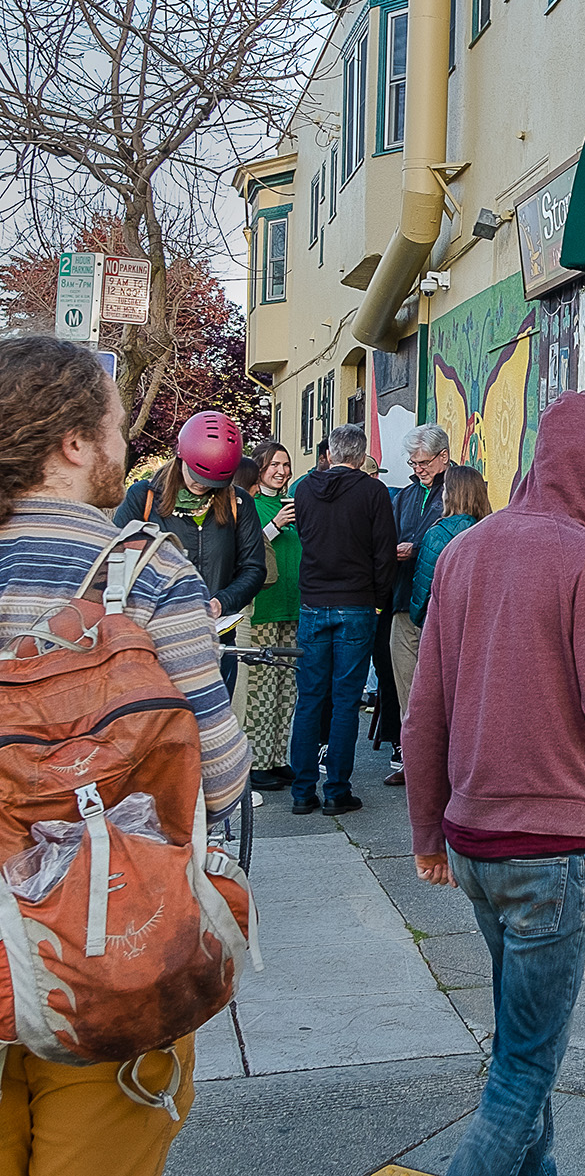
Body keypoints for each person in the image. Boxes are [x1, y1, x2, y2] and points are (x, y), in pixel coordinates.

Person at [406, 390, 585, 1176]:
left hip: (475, 843)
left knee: (518, 1047)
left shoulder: (465, 549)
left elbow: (423, 709)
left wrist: (428, 832)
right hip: (551, 852)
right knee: (526, 1069)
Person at [0, 336, 251, 1176]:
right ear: (73, 443)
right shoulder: (145, 572)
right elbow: (220, 773)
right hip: (104, 948)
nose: (126, 446)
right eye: (115, 427)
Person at [115, 411, 266, 696]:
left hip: (214, 640)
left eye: (211, 481)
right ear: (181, 456)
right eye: (197, 475)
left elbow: (254, 568)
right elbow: (115, 562)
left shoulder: (239, 503)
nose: (201, 485)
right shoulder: (143, 497)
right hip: (154, 641)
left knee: (209, 731)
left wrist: (222, 602)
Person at [289, 423, 397, 817]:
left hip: (313, 603)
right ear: (361, 454)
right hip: (356, 604)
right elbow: (384, 554)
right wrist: (379, 600)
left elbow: (307, 539)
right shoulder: (373, 493)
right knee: (346, 702)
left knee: (310, 699)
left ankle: (302, 790)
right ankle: (337, 789)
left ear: (331, 453)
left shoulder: (303, 490)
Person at [381, 424, 454, 788]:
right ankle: (414, 764)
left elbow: (464, 533)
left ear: (443, 457)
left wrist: (419, 547)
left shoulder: (459, 490)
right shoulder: (406, 495)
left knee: (442, 692)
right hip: (402, 601)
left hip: (441, 606)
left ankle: (445, 767)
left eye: (423, 462)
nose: (418, 469)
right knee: (406, 688)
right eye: (413, 462)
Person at [242, 440, 303, 792]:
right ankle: (257, 763)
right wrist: (276, 524)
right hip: (264, 611)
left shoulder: (291, 502)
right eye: (273, 466)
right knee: (261, 691)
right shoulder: (251, 505)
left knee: (286, 690)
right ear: (260, 468)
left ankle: (279, 758)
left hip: (292, 608)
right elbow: (250, 546)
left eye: (285, 465)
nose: (281, 472)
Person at [409, 466, 490, 627]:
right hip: (480, 623)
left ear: (451, 495)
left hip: (442, 621)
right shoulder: (492, 531)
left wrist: (418, 618)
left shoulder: (438, 534)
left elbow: (423, 589)